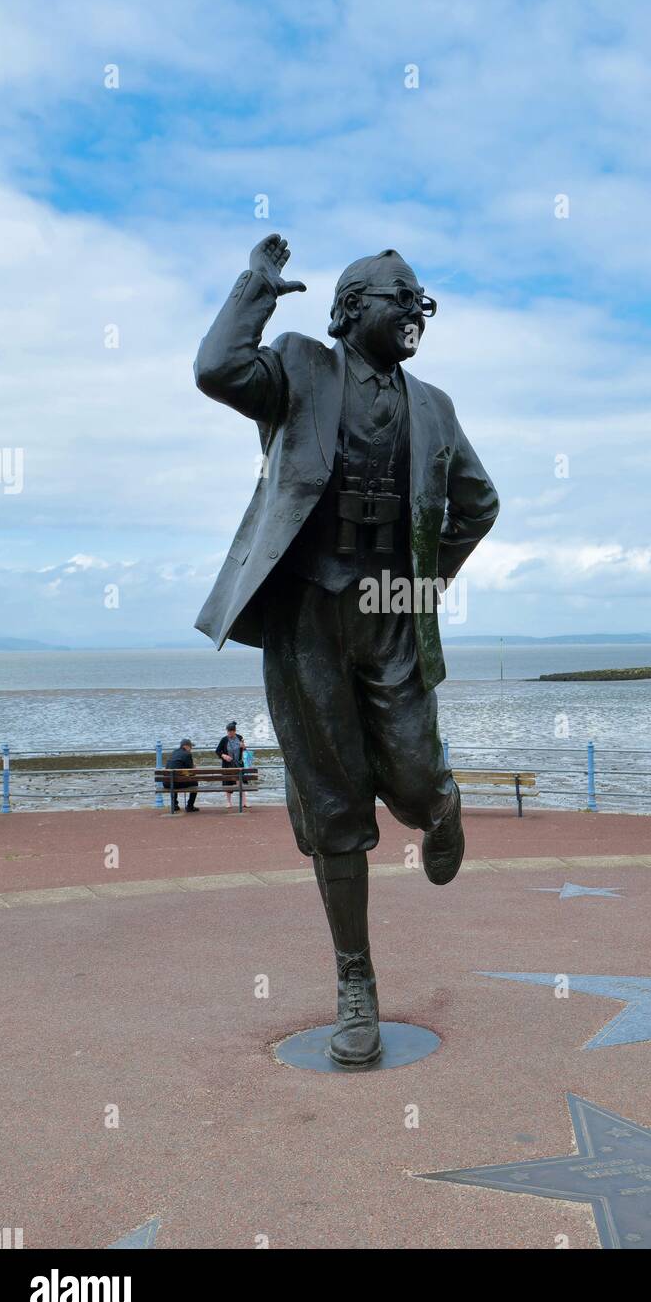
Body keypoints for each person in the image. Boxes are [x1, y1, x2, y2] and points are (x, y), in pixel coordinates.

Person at [194, 234, 498, 1065]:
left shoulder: (434, 405)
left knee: (407, 772)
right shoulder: (297, 369)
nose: (415, 312)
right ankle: (355, 980)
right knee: (331, 801)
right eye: (400, 298)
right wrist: (255, 286)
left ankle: (439, 803)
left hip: (391, 610)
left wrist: (425, 581)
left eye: (421, 301)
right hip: (305, 614)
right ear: (349, 308)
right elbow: (217, 369)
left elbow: (480, 502)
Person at [216, 721, 249, 809]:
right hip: (228, 765)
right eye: (228, 732)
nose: (229, 734)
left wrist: (243, 747)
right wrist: (224, 756)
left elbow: (244, 751)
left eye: (231, 732)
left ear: (234, 731)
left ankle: (244, 802)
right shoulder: (224, 740)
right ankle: (229, 802)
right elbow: (218, 751)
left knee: (241, 783)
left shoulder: (240, 737)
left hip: (238, 764)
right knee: (228, 783)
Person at [163, 738, 199, 813]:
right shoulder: (187, 754)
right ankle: (190, 806)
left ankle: (174, 805)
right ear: (186, 746)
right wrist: (194, 767)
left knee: (173, 779)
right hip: (176, 782)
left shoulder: (173, 753)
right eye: (190, 747)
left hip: (166, 783)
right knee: (195, 783)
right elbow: (191, 772)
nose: (191, 749)